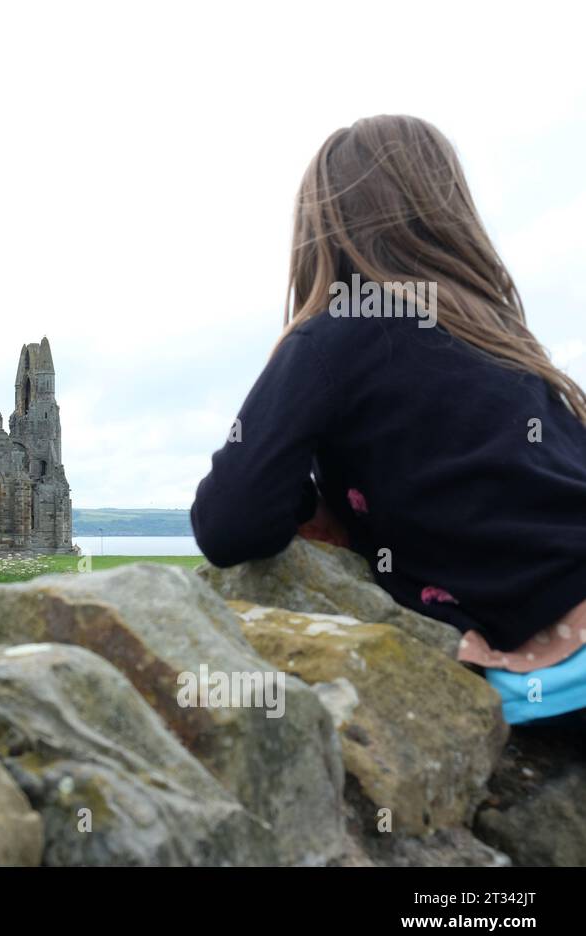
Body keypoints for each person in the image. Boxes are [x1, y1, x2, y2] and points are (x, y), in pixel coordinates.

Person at [191, 115, 586, 726]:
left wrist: (308, 502)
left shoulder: (333, 338)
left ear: (323, 229)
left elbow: (229, 520)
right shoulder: (510, 346)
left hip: (562, 656)